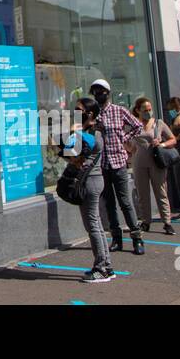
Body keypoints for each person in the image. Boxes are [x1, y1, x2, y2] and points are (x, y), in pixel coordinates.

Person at [88, 79, 144, 254]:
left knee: (125, 202)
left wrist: (123, 139)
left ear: (108, 93)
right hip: (102, 164)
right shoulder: (93, 114)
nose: (98, 95)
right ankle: (116, 238)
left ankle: (137, 238)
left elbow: (138, 126)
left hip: (118, 162)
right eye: (95, 92)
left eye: (101, 91)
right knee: (109, 203)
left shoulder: (119, 111)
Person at [65, 97, 115, 283]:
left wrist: (72, 133)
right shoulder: (91, 131)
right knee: (97, 225)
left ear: (90, 113)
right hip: (93, 180)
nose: (75, 112)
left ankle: (101, 268)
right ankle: (106, 266)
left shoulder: (91, 133)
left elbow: (68, 151)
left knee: (92, 225)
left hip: (90, 182)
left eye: (79, 110)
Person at [130, 96, 176, 235]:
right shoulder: (133, 124)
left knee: (161, 191)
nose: (148, 112)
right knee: (142, 193)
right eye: (145, 110)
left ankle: (167, 222)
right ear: (138, 110)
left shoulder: (158, 123)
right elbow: (129, 145)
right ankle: (146, 221)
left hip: (156, 161)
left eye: (150, 109)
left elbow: (172, 139)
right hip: (139, 162)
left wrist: (161, 144)